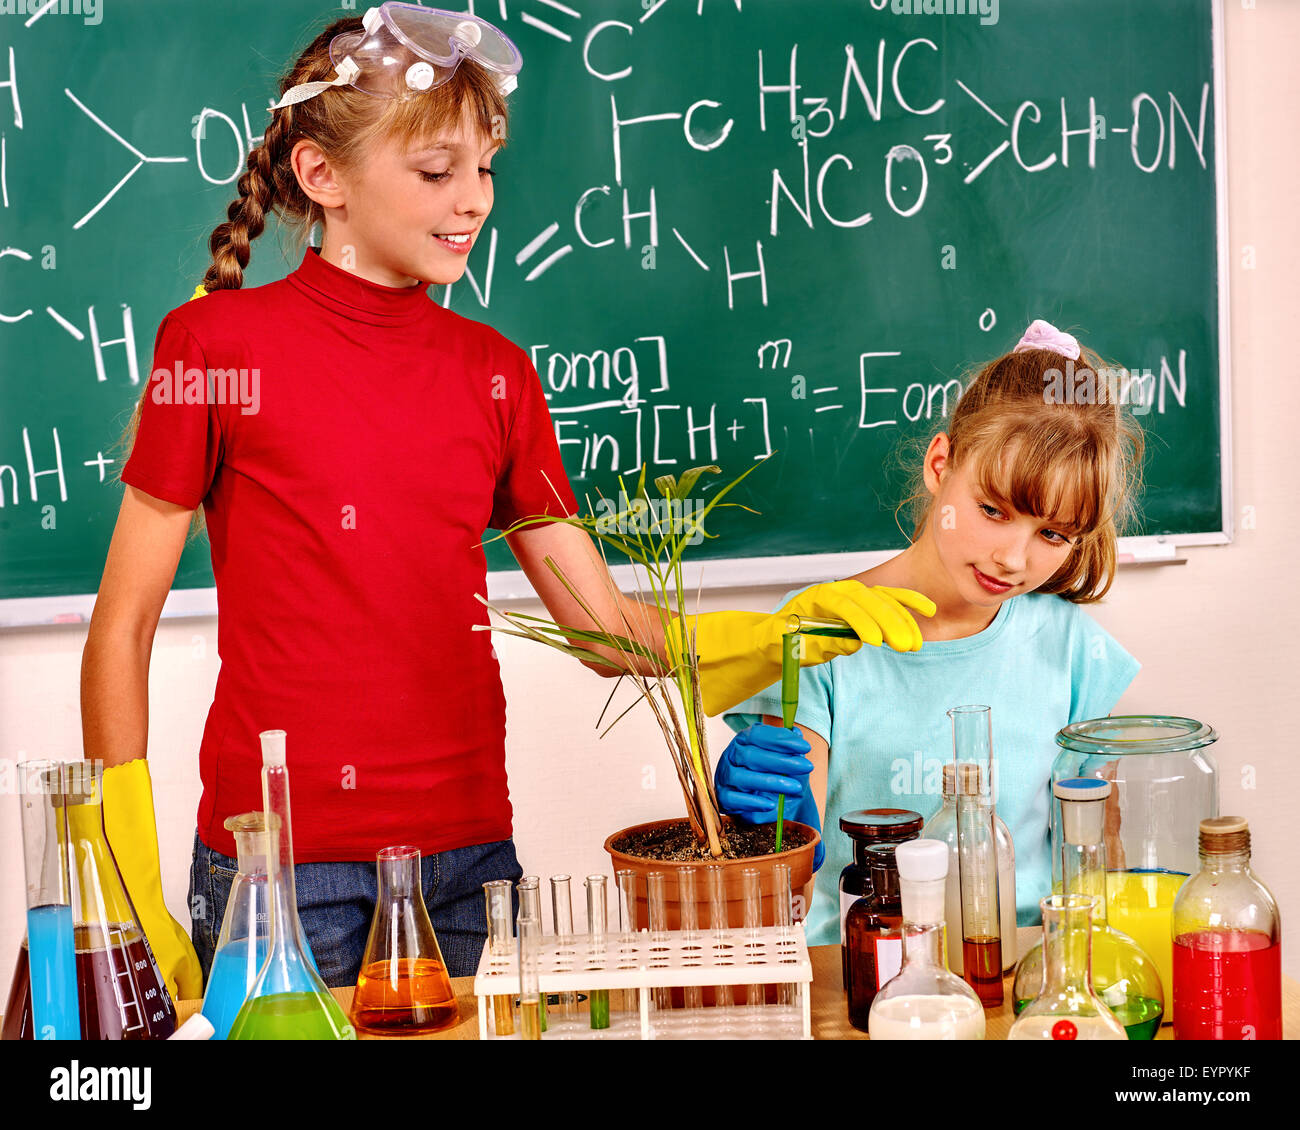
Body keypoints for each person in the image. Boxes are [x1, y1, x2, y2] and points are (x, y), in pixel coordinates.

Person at [80, 6, 933, 997]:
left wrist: (792, 625)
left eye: (484, 168)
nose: (474, 199)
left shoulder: (497, 375)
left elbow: (604, 630)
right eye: (436, 172)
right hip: (278, 870)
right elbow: (124, 621)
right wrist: (120, 864)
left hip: (470, 868)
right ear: (322, 178)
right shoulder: (215, 349)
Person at [717, 320, 1146, 946]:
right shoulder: (820, 632)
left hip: (1014, 972)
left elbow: (1094, 871)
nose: (1013, 558)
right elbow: (787, 897)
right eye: (994, 511)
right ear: (940, 464)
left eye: (1052, 534)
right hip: (858, 976)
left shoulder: (1074, 652)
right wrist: (769, 839)